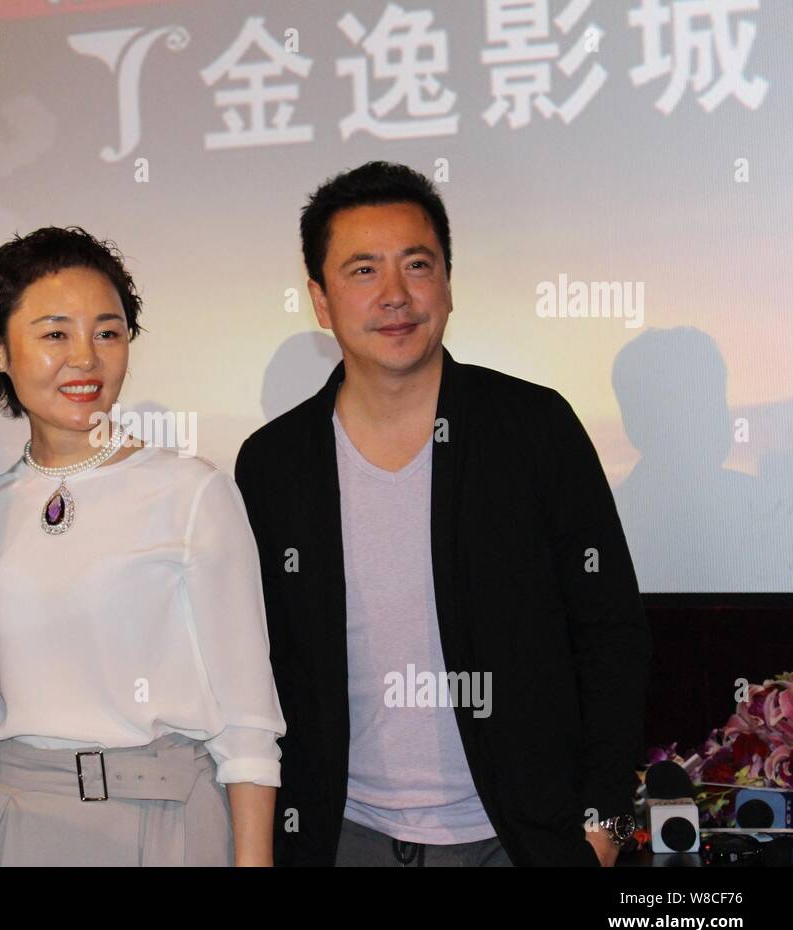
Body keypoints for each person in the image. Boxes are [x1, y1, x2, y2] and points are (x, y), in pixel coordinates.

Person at [235, 162, 652, 867]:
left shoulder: (532, 427)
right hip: (345, 836)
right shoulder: (275, 465)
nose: (395, 295)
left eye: (417, 265)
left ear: (448, 283)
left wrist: (601, 828)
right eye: (363, 271)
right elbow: (260, 670)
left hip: (520, 839)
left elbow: (612, 634)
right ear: (320, 299)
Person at [0, 226, 284, 866]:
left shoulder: (191, 492)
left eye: (108, 332)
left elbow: (247, 720)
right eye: (54, 334)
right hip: (17, 819)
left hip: (162, 821)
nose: (86, 359)